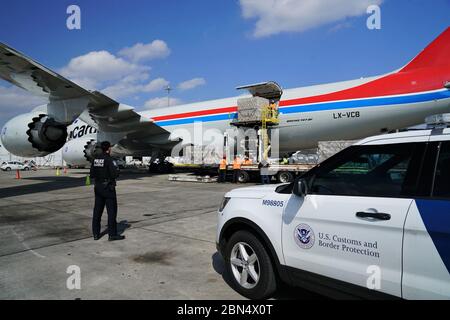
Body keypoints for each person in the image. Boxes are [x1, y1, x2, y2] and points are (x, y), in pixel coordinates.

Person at [89, 141, 125, 241]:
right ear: (108, 148)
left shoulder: (95, 159)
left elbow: (92, 174)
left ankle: (96, 234)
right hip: (108, 188)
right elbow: (115, 174)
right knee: (112, 212)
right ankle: (112, 234)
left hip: (98, 187)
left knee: (97, 211)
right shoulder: (110, 159)